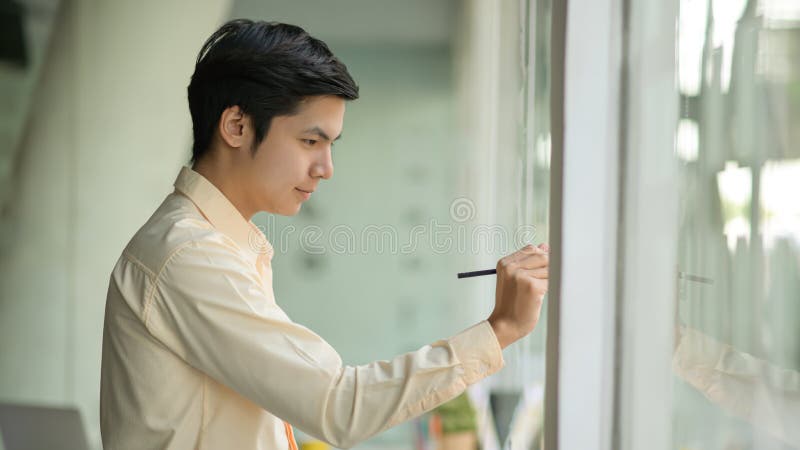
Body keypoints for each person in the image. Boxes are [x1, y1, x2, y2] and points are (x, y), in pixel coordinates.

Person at [99, 19, 549, 450]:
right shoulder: (191, 256)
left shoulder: (217, 246)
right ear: (236, 126)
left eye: (331, 145)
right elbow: (338, 405)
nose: (326, 169)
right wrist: (500, 329)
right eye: (310, 142)